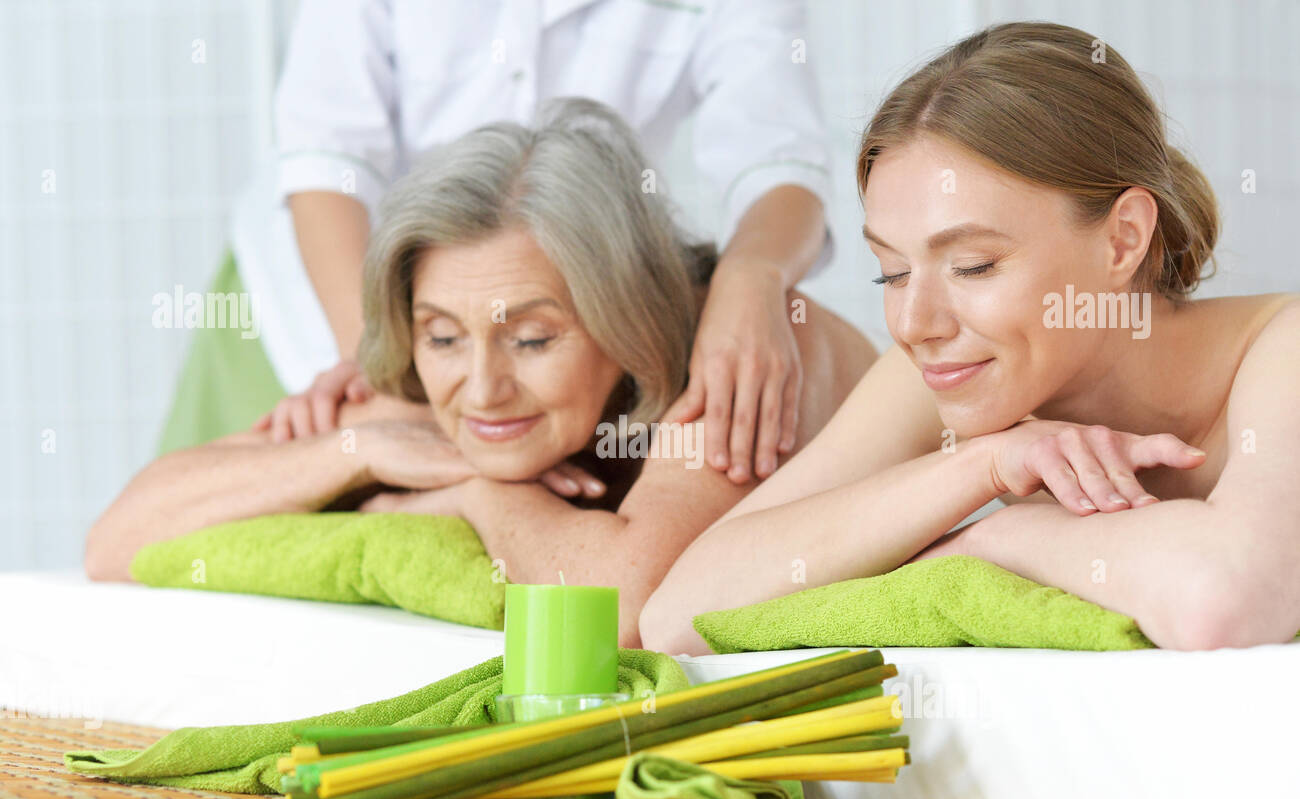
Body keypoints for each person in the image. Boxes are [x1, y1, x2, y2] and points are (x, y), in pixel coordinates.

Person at [88, 100, 875, 647]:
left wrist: (470, 489)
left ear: (627, 317)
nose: (482, 388)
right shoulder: (439, 379)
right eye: (440, 337)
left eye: (533, 340)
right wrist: (352, 453)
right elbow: (118, 540)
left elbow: (627, 608)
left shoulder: (727, 358)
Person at [641, 22, 1300, 654]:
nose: (913, 324)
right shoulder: (954, 370)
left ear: (1123, 237)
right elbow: (678, 615)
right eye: (892, 273)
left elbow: (1225, 601)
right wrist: (979, 465)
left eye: (973, 266)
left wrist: (996, 537)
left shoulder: (1282, 350)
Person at [164, 0, 838, 489]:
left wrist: (752, 280)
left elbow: (777, 163)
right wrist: (388, 360)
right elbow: (327, 160)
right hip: (323, 296)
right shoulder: (403, 351)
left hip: (565, 322)